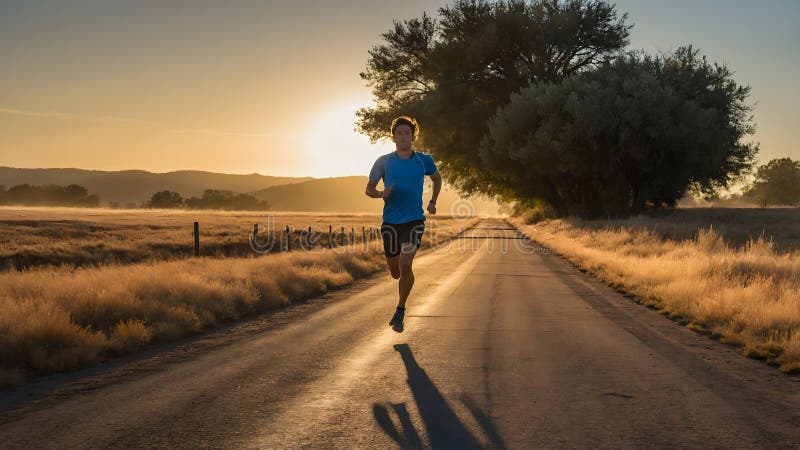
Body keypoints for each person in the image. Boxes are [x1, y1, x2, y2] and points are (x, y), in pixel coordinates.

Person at [366, 116, 441, 332]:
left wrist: (433, 201)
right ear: (393, 137)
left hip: (414, 220)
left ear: (413, 137)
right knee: (395, 272)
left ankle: (400, 309)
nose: (403, 137)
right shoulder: (384, 162)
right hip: (390, 222)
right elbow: (369, 189)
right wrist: (381, 193)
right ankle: (400, 280)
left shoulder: (424, 161)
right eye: (399, 133)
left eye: (407, 133)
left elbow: (437, 178)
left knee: (405, 263)